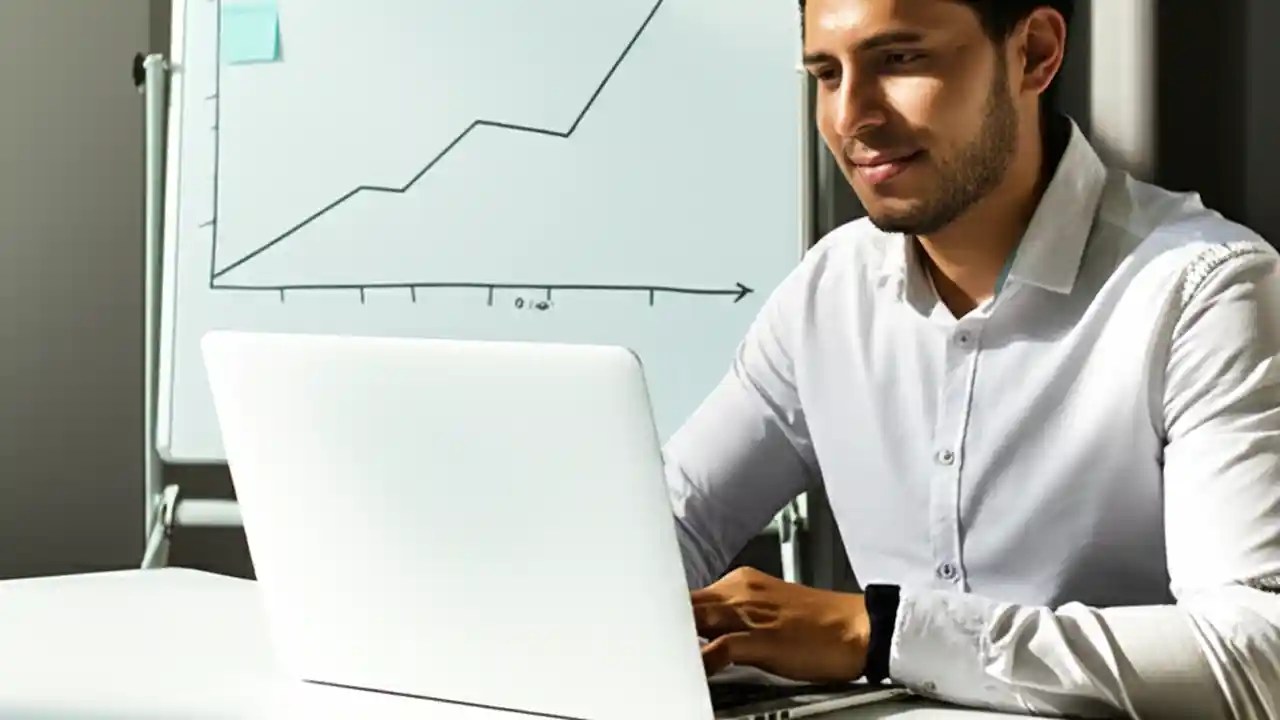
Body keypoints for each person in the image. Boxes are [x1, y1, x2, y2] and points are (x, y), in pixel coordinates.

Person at [664, 0, 1280, 717]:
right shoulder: (828, 291)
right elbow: (669, 528)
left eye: (900, 59)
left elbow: (1258, 655)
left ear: (1035, 53)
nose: (850, 117)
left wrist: (882, 632)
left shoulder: (1204, 289)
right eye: (826, 73)